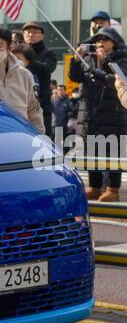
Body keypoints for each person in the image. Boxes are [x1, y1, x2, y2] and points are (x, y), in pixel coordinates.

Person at [68, 27, 127, 201]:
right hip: (89, 110)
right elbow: (76, 77)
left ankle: (113, 189)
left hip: (112, 113)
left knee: (112, 150)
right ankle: (94, 186)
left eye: (105, 40)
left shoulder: (122, 60)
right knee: (90, 148)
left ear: (114, 43)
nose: (100, 43)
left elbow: (118, 81)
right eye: (98, 40)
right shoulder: (89, 58)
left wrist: (105, 62)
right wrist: (76, 60)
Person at [20, 22, 57, 137]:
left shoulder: (48, 54)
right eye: (28, 32)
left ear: (42, 35)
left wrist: (29, 60)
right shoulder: (17, 52)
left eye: (35, 32)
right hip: (21, 102)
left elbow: (48, 68)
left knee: (42, 139)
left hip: (41, 104)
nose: (31, 35)